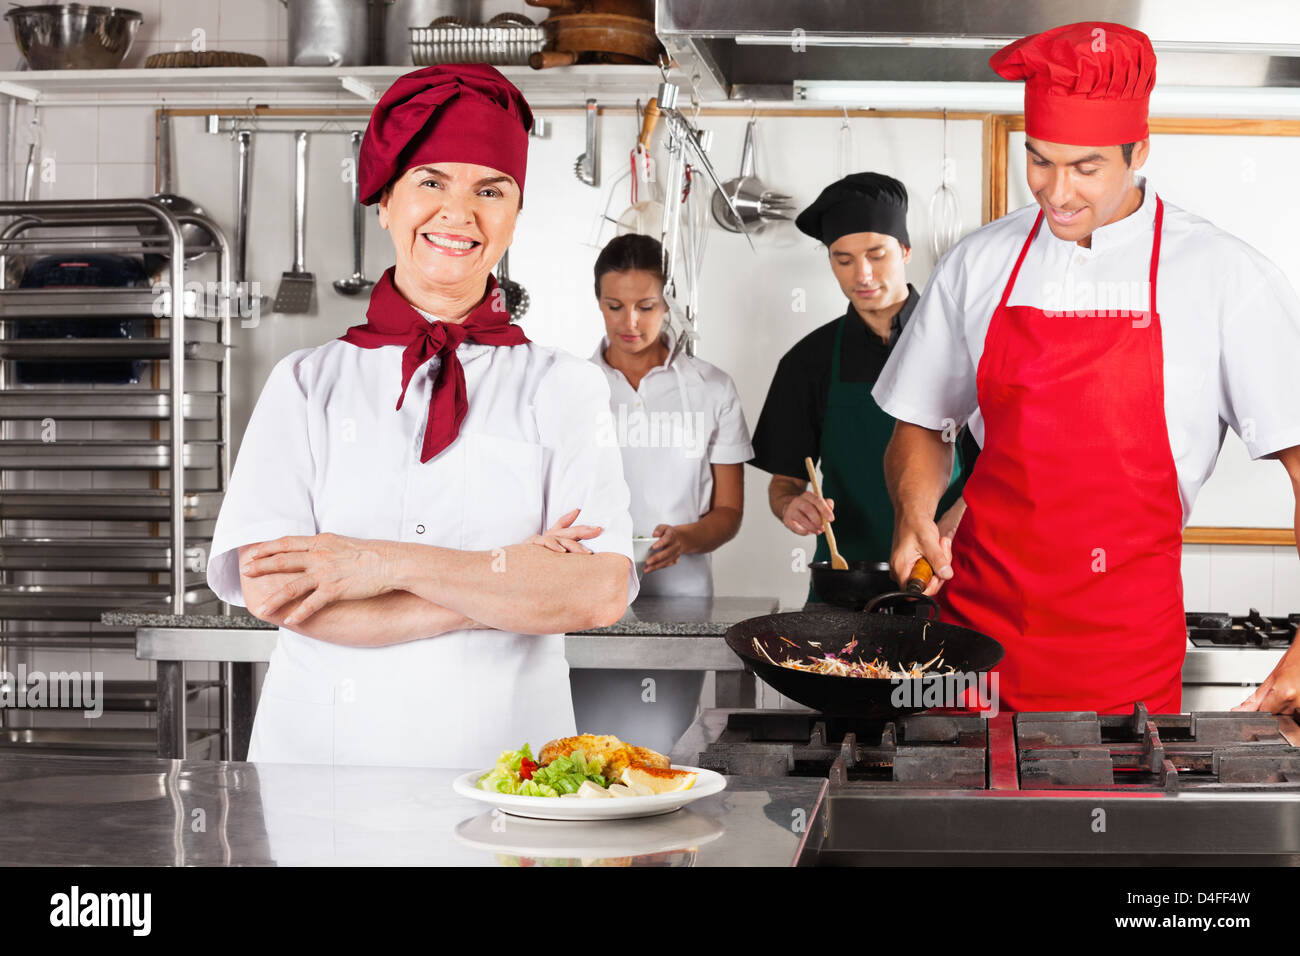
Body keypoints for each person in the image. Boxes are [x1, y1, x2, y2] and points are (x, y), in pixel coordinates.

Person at [204, 64, 637, 767]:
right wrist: (511, 582)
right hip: (323, 769)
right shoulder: (306, 386)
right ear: (383, 201)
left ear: (515, 214)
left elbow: (597, 590)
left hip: (509, 771)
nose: (458, 214)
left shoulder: (566, 387)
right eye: (430, 181)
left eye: (489, 190)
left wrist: (374, 565)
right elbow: (275, 589)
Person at [874, 21, 1300, 715]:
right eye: (1039, 161)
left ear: (1140, 151)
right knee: (954, 819)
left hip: (1121, 657)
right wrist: (915, 510)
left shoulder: (1223, 275)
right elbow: (922, 423)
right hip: (968, 644)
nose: (1057, 192)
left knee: (1106, 816)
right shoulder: (980, 263)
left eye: (1086, 167)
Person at [748, 173, 975, 600]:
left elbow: (998, 471)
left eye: (877, 254)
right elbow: (785, 486)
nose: (863, 273)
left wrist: (948, 531)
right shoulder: (807, 361)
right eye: (843, 258)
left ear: (905, 250)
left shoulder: (966, 349)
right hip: (844, 586)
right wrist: (790, 506)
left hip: (948, 579)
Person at [569, 233, 753, 753]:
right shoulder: (574, 388)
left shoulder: (711, 388)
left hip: (682, 597)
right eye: (614, 306)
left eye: (646, 306)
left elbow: (730, 511)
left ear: (668, 302)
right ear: (597, 303)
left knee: (661, 745)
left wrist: (690, 538)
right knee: (593, 747)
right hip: (589, 590)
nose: (630, 323)